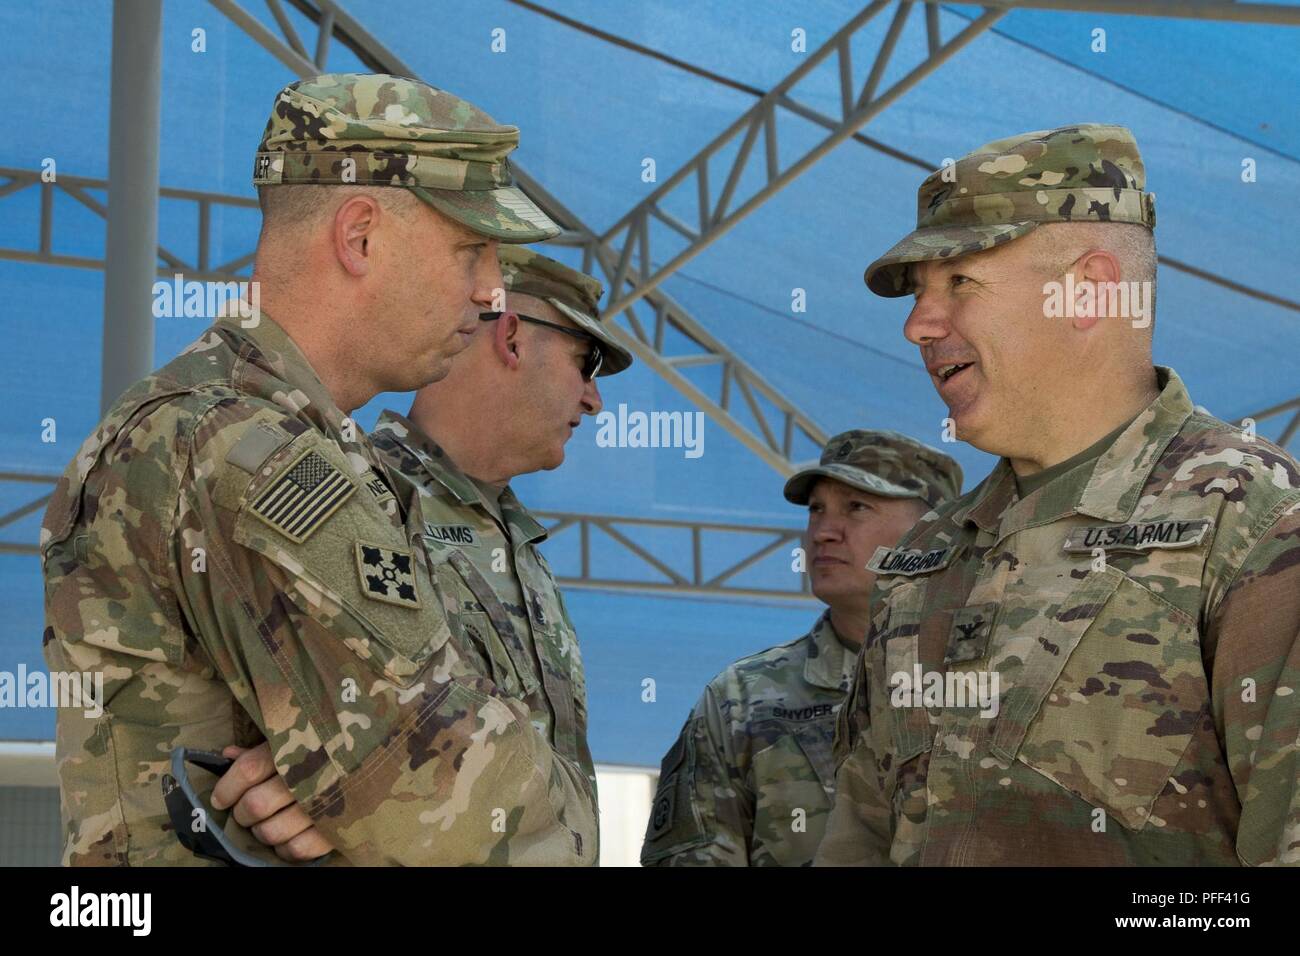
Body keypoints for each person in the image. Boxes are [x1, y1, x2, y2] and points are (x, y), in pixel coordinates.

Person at [40, 73, 599, 866]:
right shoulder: (242, 448)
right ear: (360, 236)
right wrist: (547, 800)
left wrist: (360, 799)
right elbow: (459, 812)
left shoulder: (257, 432)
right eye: (471, 249)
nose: (490, 291)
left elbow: (424, 793)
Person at [815, 124, 1300, 867]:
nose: (918, 325)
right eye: (918, 294)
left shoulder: (1253, 521)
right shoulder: (925, 558)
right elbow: (861, 836)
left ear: (1090, 290)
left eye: (959, 283)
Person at [205, 246, 632, 863]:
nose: (594, 400)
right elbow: (284, 738)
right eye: (584, 362)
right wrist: (342, 789)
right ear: (511, 337)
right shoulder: (349, 494)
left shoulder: (523, 551)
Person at [641, 430, 961, 866]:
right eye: (816, 510)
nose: (824, 532)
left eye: (857, 507)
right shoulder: (742, 700)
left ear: (932, 532)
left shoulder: (993, 680)